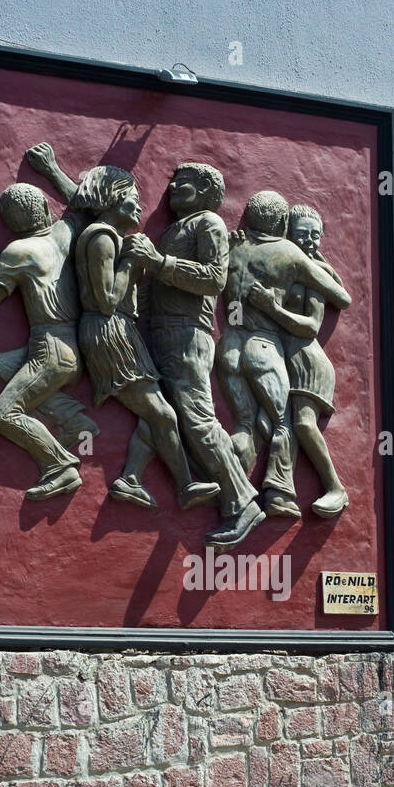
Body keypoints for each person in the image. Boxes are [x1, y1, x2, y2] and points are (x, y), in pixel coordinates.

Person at [29, 147, 219, 512]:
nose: (139, 205)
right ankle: (185, 485)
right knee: (161, 413)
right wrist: (133, 263)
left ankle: (135, 479)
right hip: (108, 332)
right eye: (132, 198)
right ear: (115, 200)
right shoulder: (103, 238)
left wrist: (54, 172)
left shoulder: (104, 230)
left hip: (121, 331)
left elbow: (83, 201)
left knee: (158, 409)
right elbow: (105, 301)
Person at [119, 162, 263, 549]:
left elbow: (214, 279)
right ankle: (140, 479)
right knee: (162, 415)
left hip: (188, 335)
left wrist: (159, 263)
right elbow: (156, 284)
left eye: (182, 183)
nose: (172, 188)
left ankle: (243, 500)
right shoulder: (171, 230)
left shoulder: (209, 224)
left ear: (204, 190)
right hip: (163, 335)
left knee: (198, 420)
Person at [0, 178, 99, 501]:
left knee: (3, 415)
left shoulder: (17, 252)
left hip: (49, 351)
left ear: (10, 223)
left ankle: (60, 465)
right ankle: (72, 420)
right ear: (47, 209)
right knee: (1, 364)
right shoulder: (67, 230)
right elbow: (85, 201)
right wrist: (51, 170)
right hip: (74, 348)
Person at [215, 191, 351, 518]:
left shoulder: (240, 250)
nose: (309, 240)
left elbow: (317, 321)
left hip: (273, 355)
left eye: (315, 235)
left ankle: (330, 488)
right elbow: (341, 297)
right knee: (274, 424)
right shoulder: (285, 254)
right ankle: (270, 494)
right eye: (302, 233)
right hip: (268, 350)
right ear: (283, 225)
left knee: (274, 425)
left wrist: (273, 305)